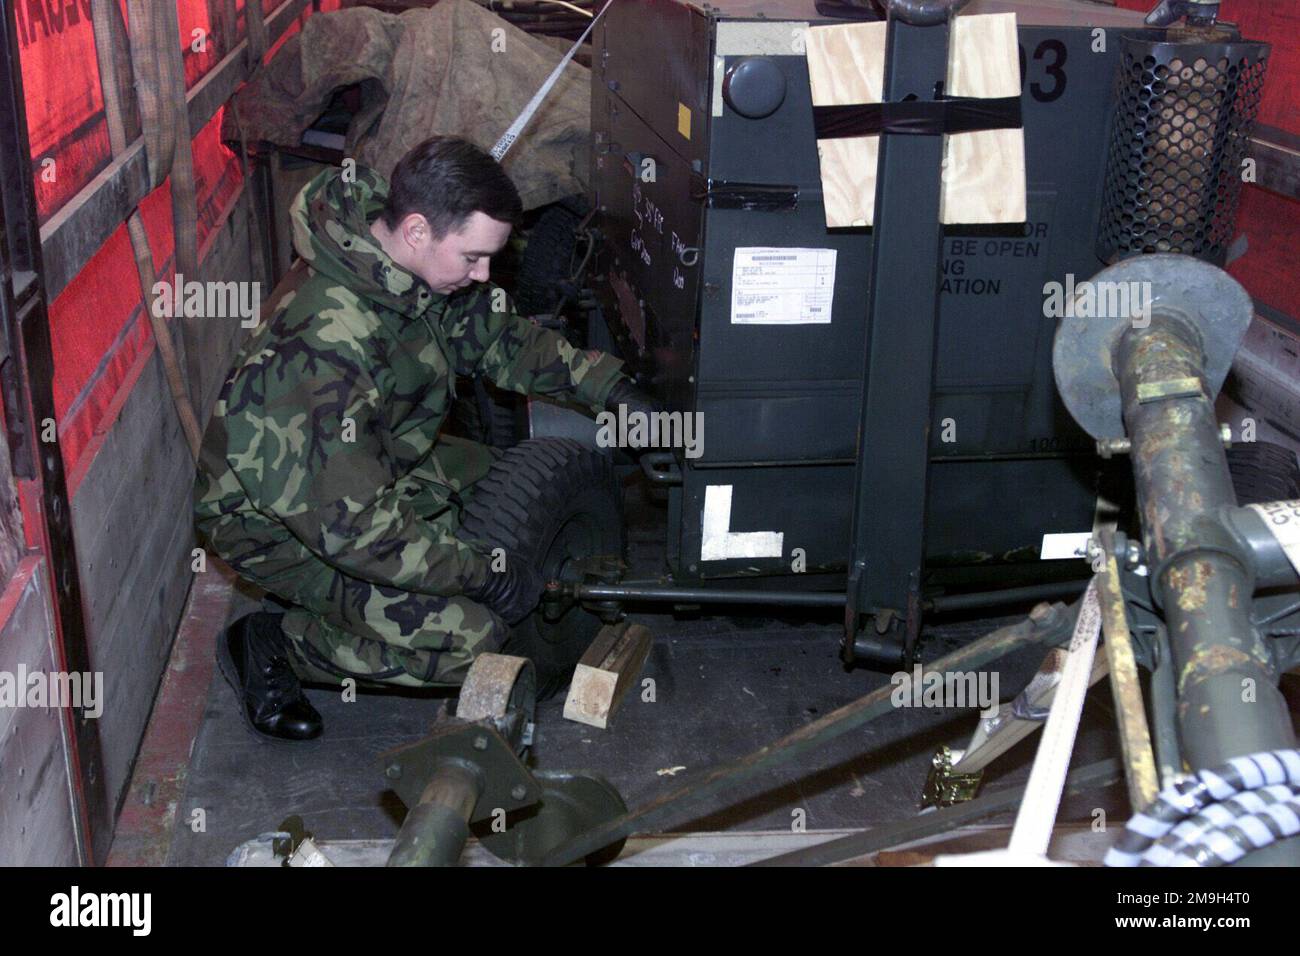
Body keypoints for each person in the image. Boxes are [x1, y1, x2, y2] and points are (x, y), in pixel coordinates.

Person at [194, 136, 652, 740]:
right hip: (281, 528)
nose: (484, 274)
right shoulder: (323, 350)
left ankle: (360, 603)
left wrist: (608, 388)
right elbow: (357, 531)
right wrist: (478, 571)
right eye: (472, 258)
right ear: (415, 230)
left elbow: (496, 337)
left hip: (378, 460)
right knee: (473, 639)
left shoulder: (409, 272)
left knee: (517, 493)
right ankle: (275, 641)